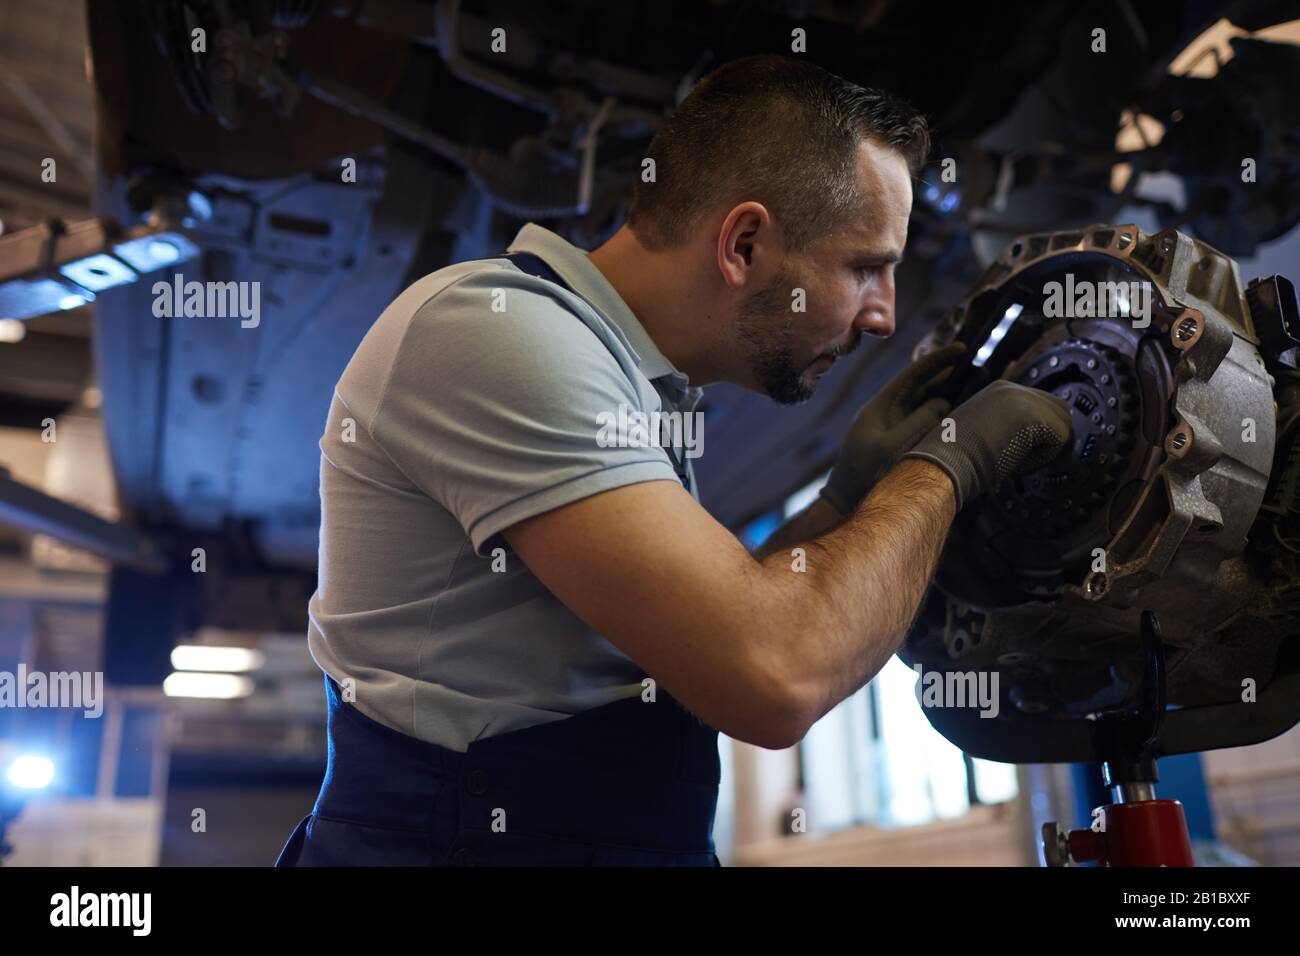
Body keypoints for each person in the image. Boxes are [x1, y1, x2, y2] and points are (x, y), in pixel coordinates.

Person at [275, 54, 1071, 867]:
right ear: (746, 244)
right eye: (866, 267)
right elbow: (774, 677)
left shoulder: (636, 384)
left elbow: (723, 624)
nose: (884, 317)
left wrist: (846, 499)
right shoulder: (497, 330)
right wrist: (949, 466)